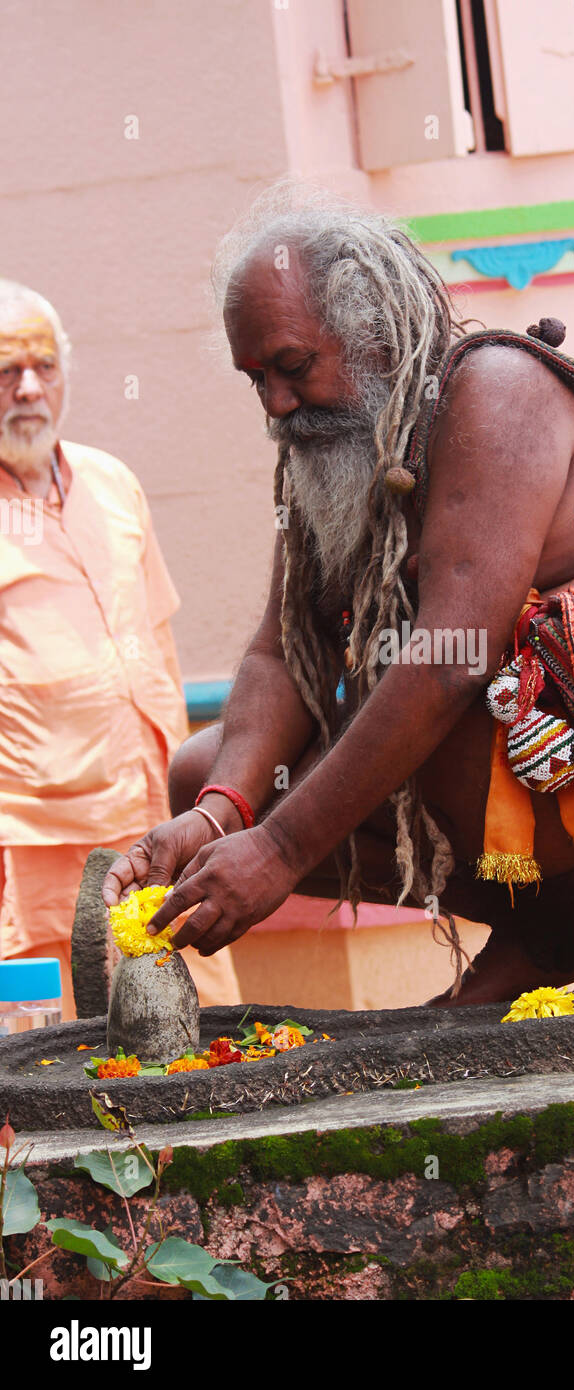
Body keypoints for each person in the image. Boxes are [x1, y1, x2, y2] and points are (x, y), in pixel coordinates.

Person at [102, 185, 574, 1298]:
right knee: (195, 771)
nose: (273, 402)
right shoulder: (334, 447)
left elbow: (452, 653)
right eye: (254, 378)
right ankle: (552, 928)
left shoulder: (493, 393)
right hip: (538, 844)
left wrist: (271, 855)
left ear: (371, 329)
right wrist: (223, 815)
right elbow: (276, 656)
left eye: (290, 366)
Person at [0, 280, 240, 1016]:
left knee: (202, 1023)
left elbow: (156, 644)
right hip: (33, 843)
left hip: (156, 822)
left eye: (43, 366)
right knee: (54, 1052)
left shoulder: (113, 482)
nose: (29, 388)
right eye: (4, 371)